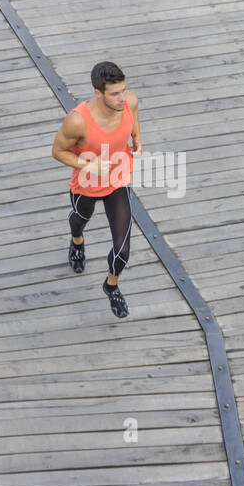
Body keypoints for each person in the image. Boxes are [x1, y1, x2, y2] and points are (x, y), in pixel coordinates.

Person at [50, 62, 141, 318]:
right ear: (98, 93)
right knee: (80, 219)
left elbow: (133, 117)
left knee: (123, 249)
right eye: (114, 93)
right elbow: (58, 151)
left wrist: (137, 137)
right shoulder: (77, 122)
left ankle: (111, 285)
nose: (122, 98)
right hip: (87, 184)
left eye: (123, 90)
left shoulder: (129, 102)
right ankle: (77, 241)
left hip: (118, 180)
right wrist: (88, 165)